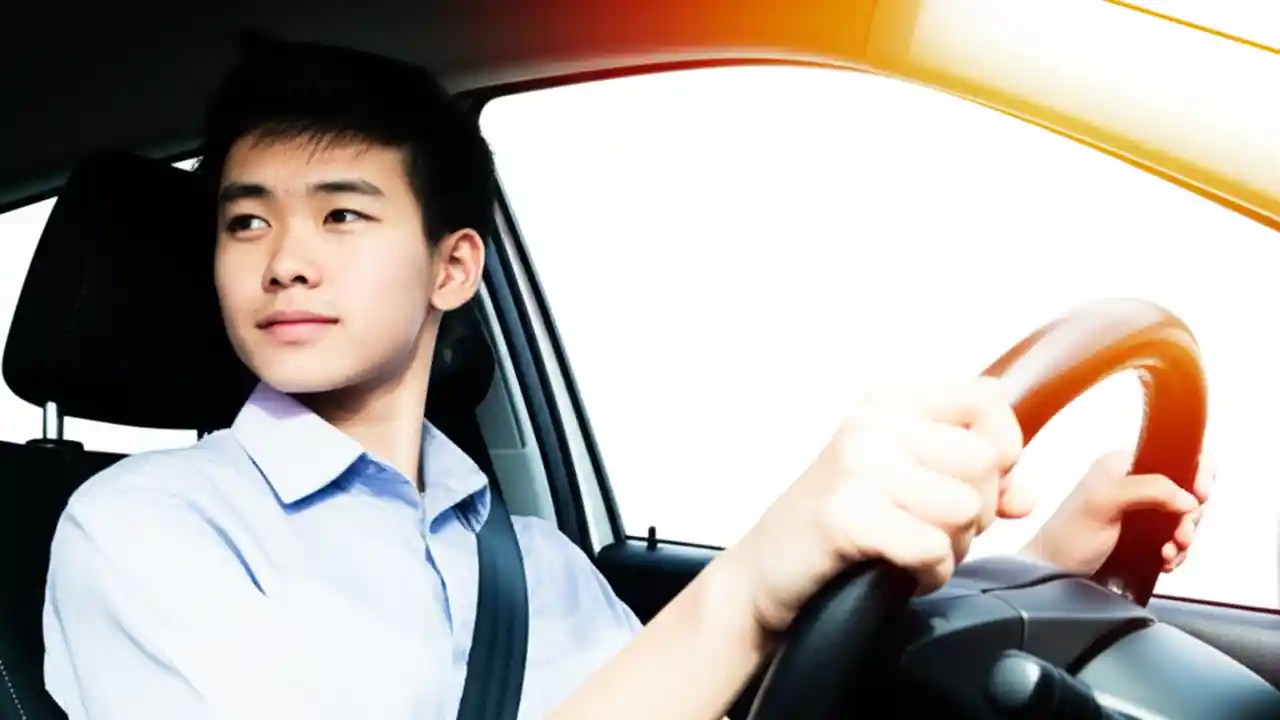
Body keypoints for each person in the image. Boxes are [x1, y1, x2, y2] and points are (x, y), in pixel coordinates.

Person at [42, 36, 1211, 720]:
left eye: (340, 214)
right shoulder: (142, 533)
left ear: (452, 270)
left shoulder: (532, 558)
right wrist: (750, 580)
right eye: (245, 225)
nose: (285, 259)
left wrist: (1034, 567)